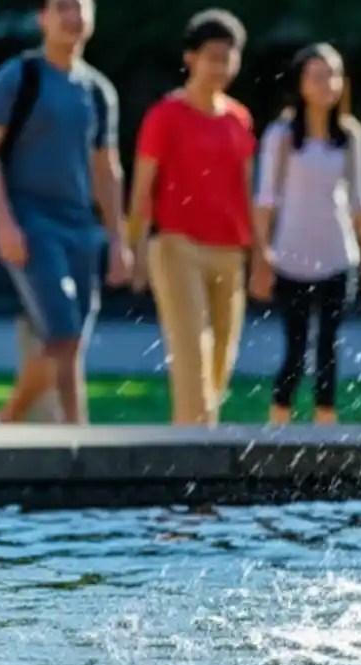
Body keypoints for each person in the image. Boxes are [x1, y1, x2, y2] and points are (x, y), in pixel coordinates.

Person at [0, 0, 130, 425]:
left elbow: (106, 169)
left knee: (70, 341)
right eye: (62, 7)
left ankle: (3, 423)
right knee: (63, 332)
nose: (73, 17)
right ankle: (76, 436)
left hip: (82, 229)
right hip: (31, 221)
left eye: (80, 7)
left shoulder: (99, 92)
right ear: (42, 18)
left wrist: (119, 239)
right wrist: (5, 222)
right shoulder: (18, 77)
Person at [127, 9, 259, 427]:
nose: (221, 65)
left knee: (221, 362)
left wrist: (261, 257)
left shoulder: (240, 119)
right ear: (191, 58)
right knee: (193, 358)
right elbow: (142, 188)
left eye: (229, 57)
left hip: (230, 252)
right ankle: (197, 474)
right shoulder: (164, 116)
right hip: (176, 247)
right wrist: (133, 248)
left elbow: (248, 191)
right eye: (213, 56)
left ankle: (192, 451)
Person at [253, 44, 361, 426]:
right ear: (300, 83)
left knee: (328, 348)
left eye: (333, 74)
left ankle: (325, 431)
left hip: (337, 257)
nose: (327, 83)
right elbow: (266, 199)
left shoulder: (351, 135)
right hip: (290, 257)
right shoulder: (281, 135)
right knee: (294, 350)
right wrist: (261, 256)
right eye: (317, 75)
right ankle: (276, 430)